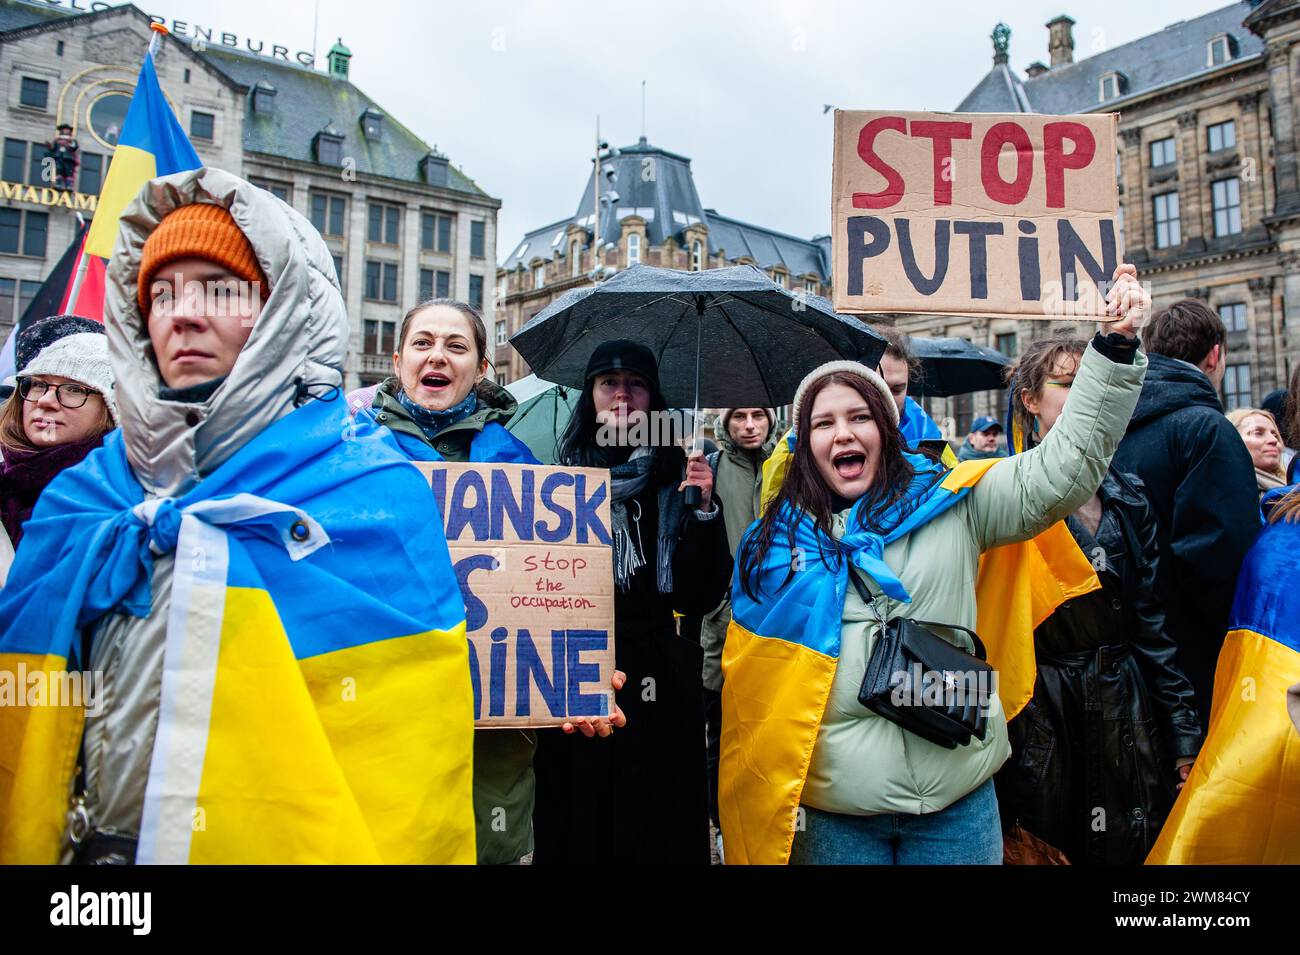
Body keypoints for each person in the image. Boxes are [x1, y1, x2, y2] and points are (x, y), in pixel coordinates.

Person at [0, 168, 474, 864]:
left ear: (280, 308)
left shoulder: (371, 488)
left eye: (218, 288)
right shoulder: (82, 497)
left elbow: (409, 757)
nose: (182, 313)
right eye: (160, 292)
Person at [723, 265, 1149, 865]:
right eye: (823, 423)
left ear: (887, 431)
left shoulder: (954, 501)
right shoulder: (771, 546)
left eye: (860, 416)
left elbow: (1064, 471)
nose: (843, 432)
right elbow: (755, 694)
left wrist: (1114, 347)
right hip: (836, 820)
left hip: (958, 805)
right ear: (805, 445)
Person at [354, 298, 619, 867]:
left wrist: (580, 678)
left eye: (456, 346)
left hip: (490, 754)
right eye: (423, 343)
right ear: (398, 360)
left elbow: (555, 603)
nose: (438, 356)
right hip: (377, 732)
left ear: (481, 368)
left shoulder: (523, 470)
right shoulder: (350, 458)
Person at [995, 335, 1202, 865]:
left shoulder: (1128, 495)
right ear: (1030, 400)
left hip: (1125, 711)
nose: (1081, 394)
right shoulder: (999, 490)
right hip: (1042, 716)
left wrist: (1182, 735)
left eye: (1089, 382)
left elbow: (1152, 626)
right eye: (1066, 383)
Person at [531, 339, 732, 864]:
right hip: (575, 671)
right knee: (580, 818)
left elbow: (700, 595)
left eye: (636, 384)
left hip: (661, 678)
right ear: (590, 396)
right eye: (608, 383)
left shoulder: (679, 479)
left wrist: (704, 512)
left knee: (658, 824)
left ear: (653, 398)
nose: (622, 395)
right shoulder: (558, 480)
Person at [1111, 299, 1261, 729]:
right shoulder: (1207, 428)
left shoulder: (1116, 428)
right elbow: (1221, 557)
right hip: (1195, 655)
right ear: (1215, 355)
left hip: (1132, 654)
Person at [698, 406, 775, 856]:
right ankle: (724, 825)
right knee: (722, 732)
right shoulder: (710, 466)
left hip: (777, 623)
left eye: (758, 416)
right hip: (722, 625)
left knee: (769, 730)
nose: (749, 425)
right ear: (726, 423)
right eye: (740, 416)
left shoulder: (788, 464)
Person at [0, 316, 117, 548]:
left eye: (74, 388)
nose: (45, 400)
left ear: (111, 408)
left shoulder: (129, 502)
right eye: (38, 384)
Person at [878, 328, 956, 466]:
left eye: (897, 390)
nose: (888, 400)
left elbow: (953, 478)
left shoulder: (928, 433)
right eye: (879, 388)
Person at [1227, 408, 1288, 500]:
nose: (1274, 440)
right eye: (1258, 433)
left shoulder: (1292, 486)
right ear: (1232, 440)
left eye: (1275, 435)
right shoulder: (1229, 497)